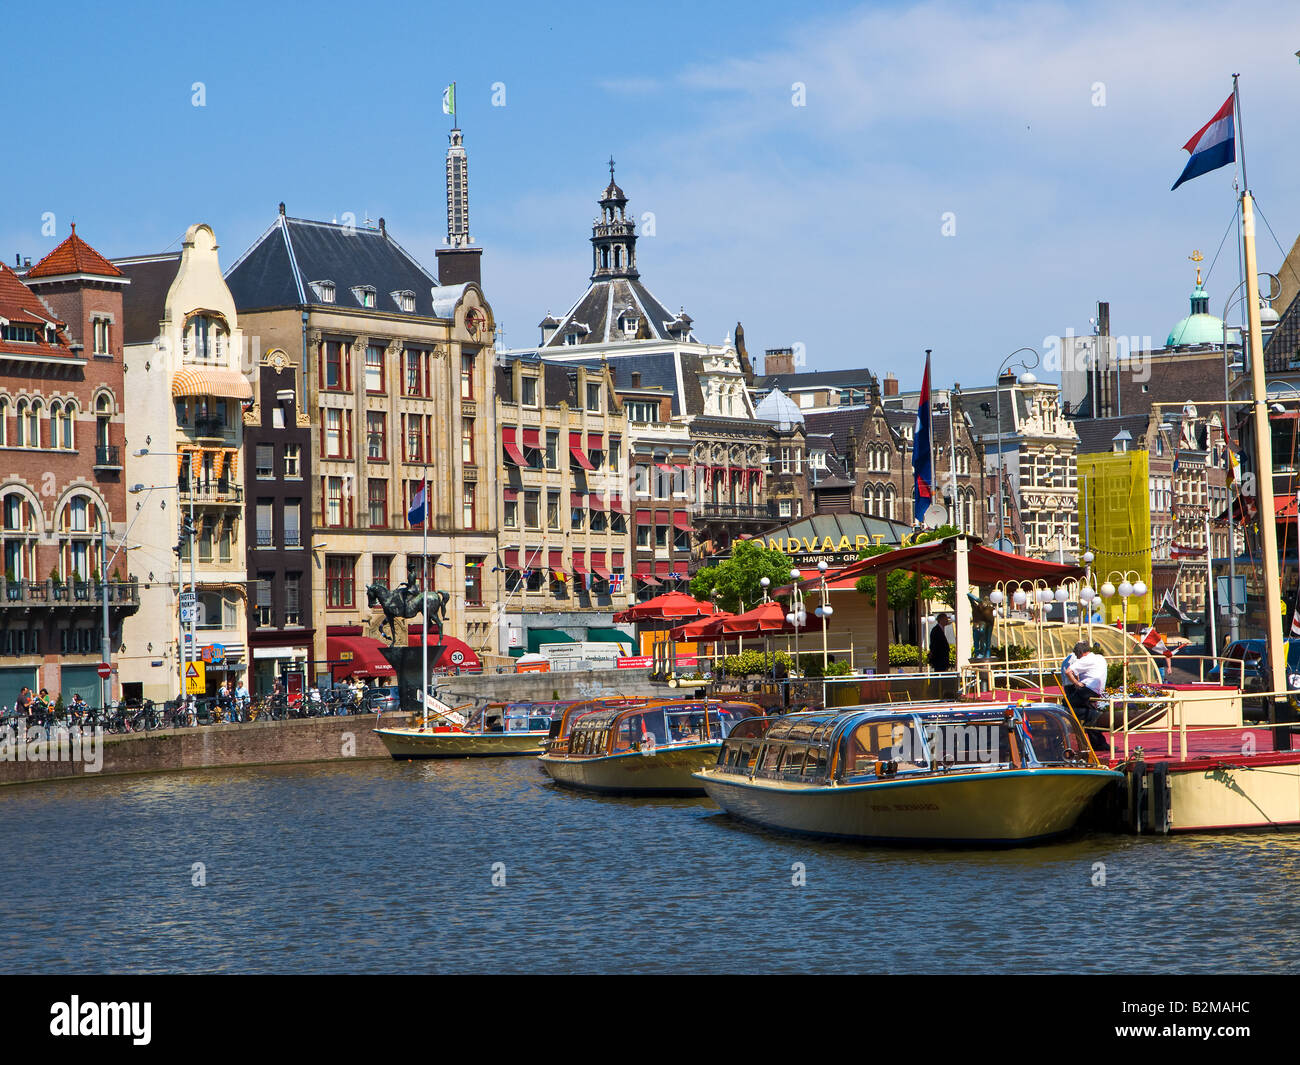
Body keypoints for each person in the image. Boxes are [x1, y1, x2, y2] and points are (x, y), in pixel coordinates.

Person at [1062, 640, 1109, 749]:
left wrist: (1077, 683)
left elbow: (1068, 671)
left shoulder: (1084, 659)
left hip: (1087, 690)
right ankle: (1099, 743)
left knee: (1065, 705)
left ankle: (1093, 714)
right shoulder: (1099, 657)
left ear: (1079, 653)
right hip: (1097, 690)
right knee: (1089, 720)